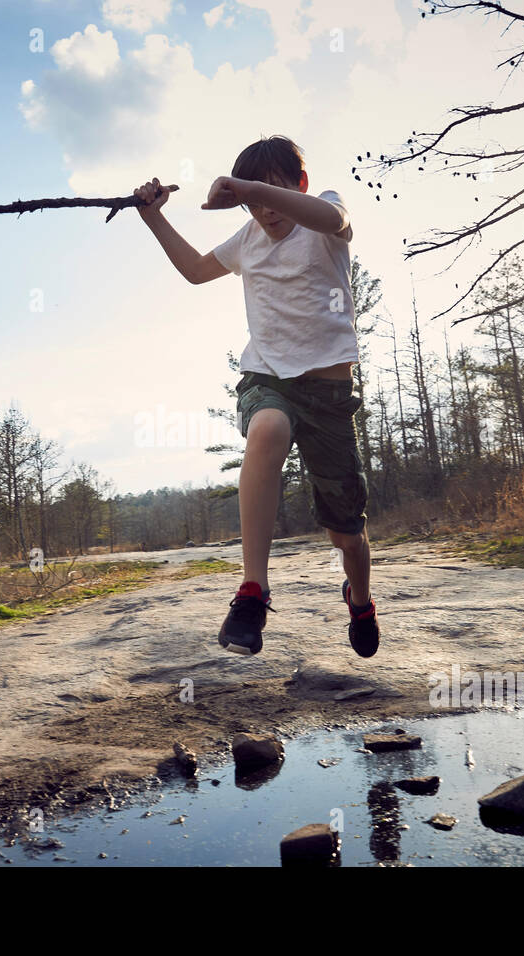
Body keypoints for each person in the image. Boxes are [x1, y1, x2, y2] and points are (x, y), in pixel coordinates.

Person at [133, 134, 378, 658]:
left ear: (300, 184)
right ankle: (252, 591)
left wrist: (244, 186)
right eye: (252, 202)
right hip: (267, 379)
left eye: (273, 193)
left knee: (347, 538)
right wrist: (152, 217)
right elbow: (197, 271)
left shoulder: (326, 216)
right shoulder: (247, 239)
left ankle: (360, 598)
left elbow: (334, 221)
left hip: (329, 394)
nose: (263, 210)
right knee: (267, 428)